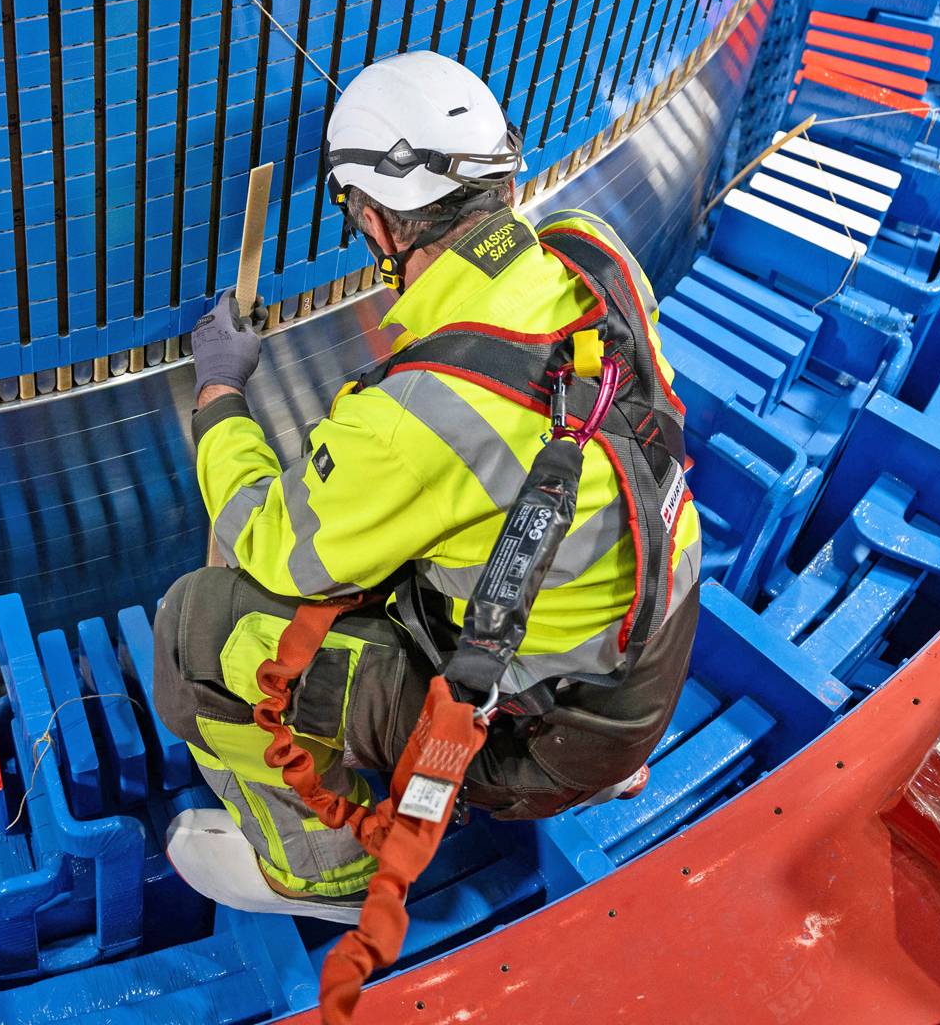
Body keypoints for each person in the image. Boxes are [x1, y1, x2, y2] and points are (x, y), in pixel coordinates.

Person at [152, 50, 702, 922]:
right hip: (646, 660)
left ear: (378, 220)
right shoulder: (595, 262)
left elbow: (269, 538)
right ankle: (610, 766)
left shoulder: (423, 414)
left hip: (534, 737)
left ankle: (317, 873)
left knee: (201, 632)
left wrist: (220, 396)